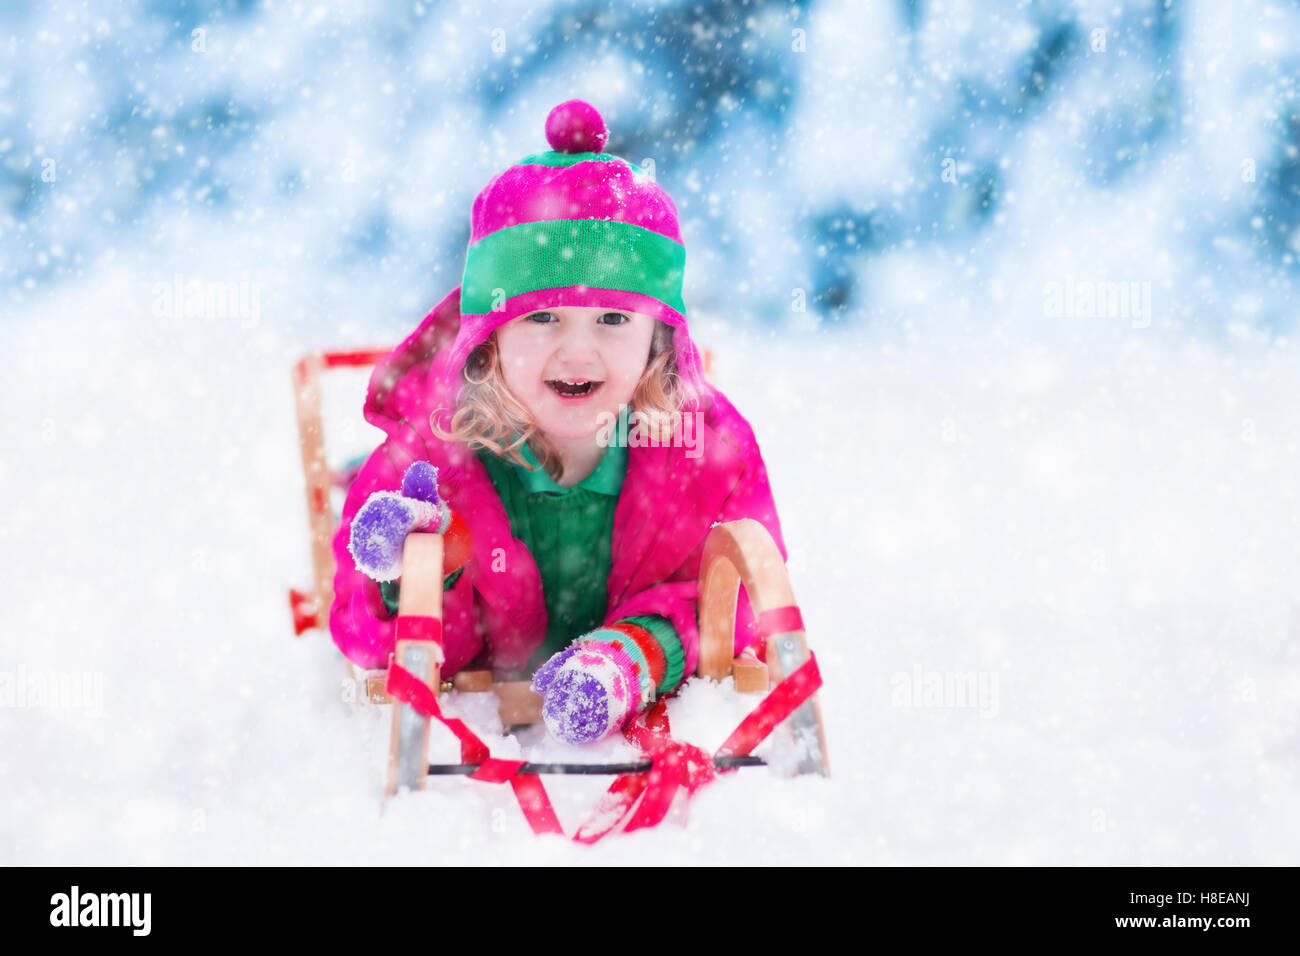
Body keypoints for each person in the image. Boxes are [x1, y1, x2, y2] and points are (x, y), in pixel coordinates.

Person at [329, 99, 788, 745]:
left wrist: (632, 654)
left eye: (613, 319)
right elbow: (367, 641)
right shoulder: (430, 461)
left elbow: (730, 607)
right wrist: (418, 579)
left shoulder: (706, 454)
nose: (577, 352)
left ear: (658, 337)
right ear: (488, 337)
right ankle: (350, 479)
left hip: (615, 650)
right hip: (485, 627)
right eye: (542, 318)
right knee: (383, 509)